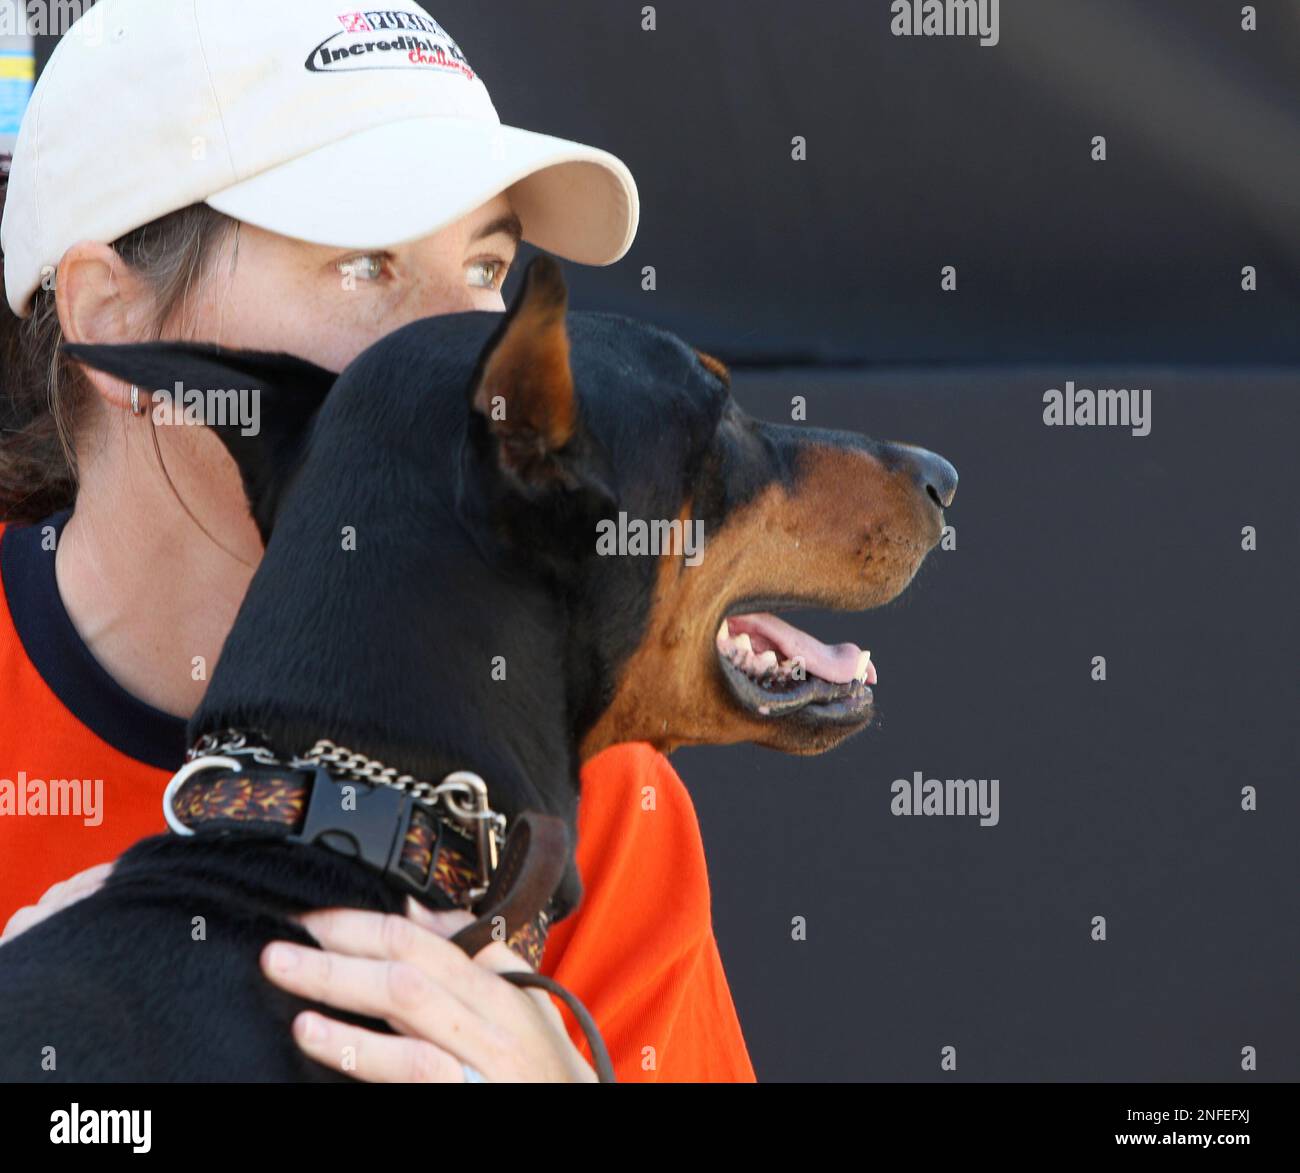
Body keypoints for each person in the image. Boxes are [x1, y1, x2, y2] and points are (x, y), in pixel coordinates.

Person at [0, 0, 754, 1083]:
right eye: (366, 265)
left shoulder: (591, 797)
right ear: (115, 323)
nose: (480, 347)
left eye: (488, 269)